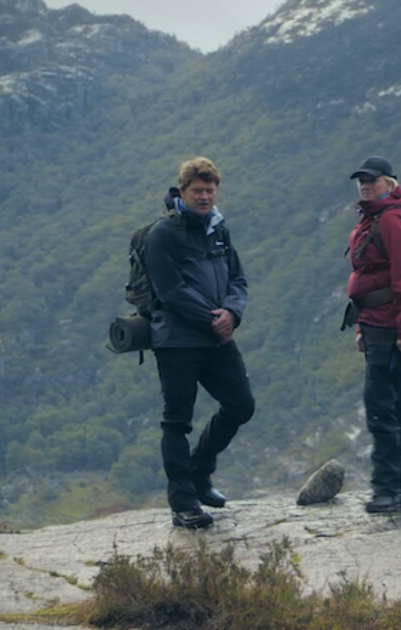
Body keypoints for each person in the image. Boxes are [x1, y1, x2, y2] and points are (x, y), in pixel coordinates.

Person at [144, 156, 255, 529]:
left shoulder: (218, 229)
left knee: (241, 404)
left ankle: (199, 471)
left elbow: (238, 279)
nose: (205, 197)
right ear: (182, 192)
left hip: (217, 336)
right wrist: (215, 319)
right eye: (198, 191)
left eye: (210, 190)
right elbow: (171, 291)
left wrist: (233, 313)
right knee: (177, 421)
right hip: (177, 341)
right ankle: (184, 503)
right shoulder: (161, 235)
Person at [345, 156, 401, 514]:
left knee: (381, 411)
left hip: (391, 328)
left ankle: (386, 492)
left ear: (389, 183)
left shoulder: (392, 220)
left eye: (372, 180)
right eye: (361, 180)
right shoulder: (375, 218)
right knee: (395, 409)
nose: (365, 185)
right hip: (377, 324)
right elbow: (369, 280)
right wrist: (362, 326)